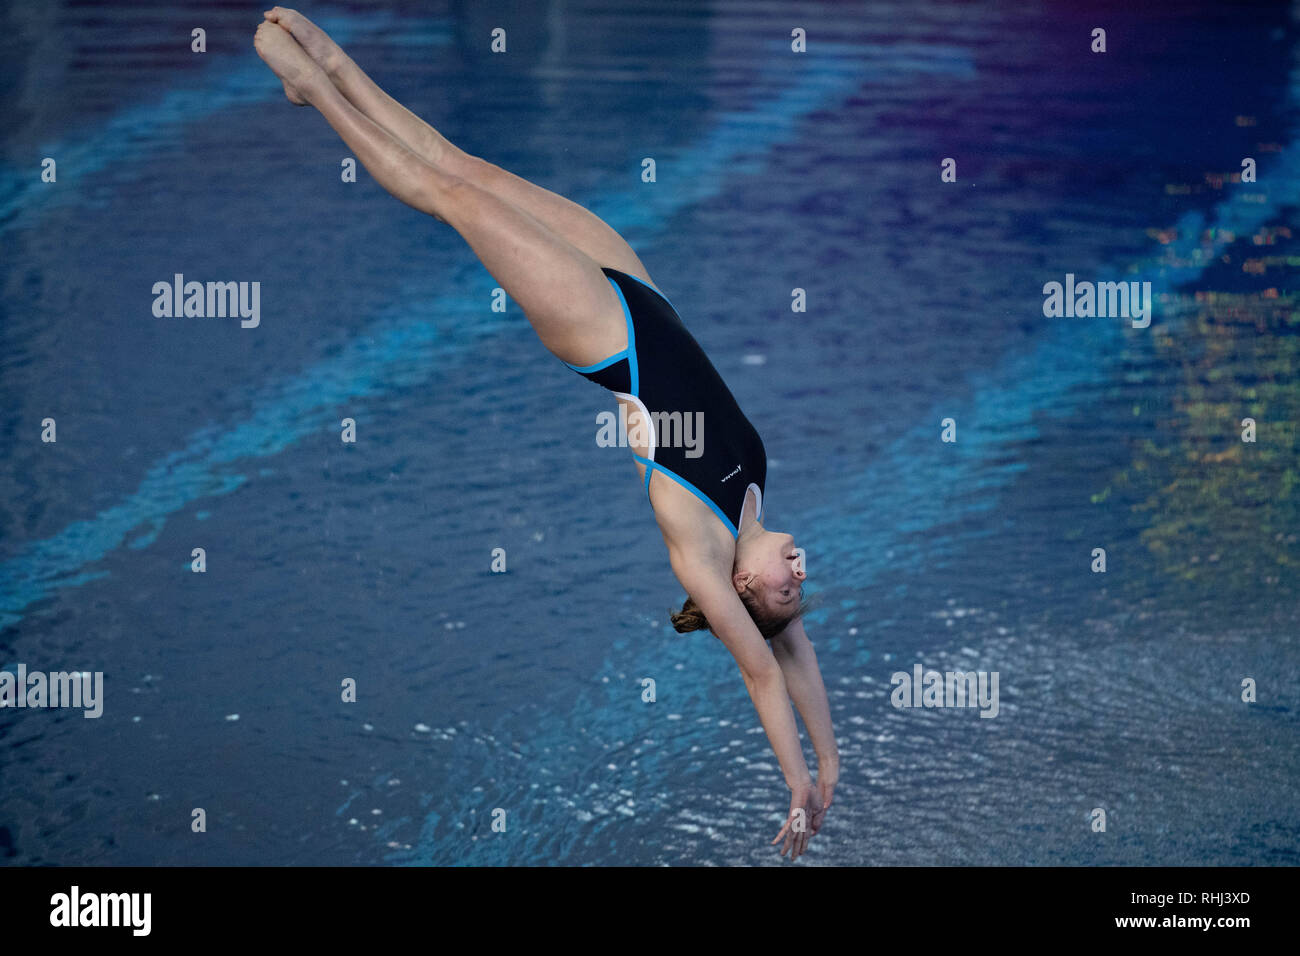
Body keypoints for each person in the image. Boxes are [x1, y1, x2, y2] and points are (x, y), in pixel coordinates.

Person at [254, 8, 838, 859]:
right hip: (643, 292)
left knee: (451, 197)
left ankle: (318, 92)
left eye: (784, 586)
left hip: (607, 336)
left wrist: (791, 786)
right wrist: (832, 765)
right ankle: (339, 68)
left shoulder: (703, 555)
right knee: (471, 169)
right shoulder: (751, 502)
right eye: (799, 580)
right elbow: (801, 663)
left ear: (743, 593)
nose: (799, 569)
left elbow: (764, 671)